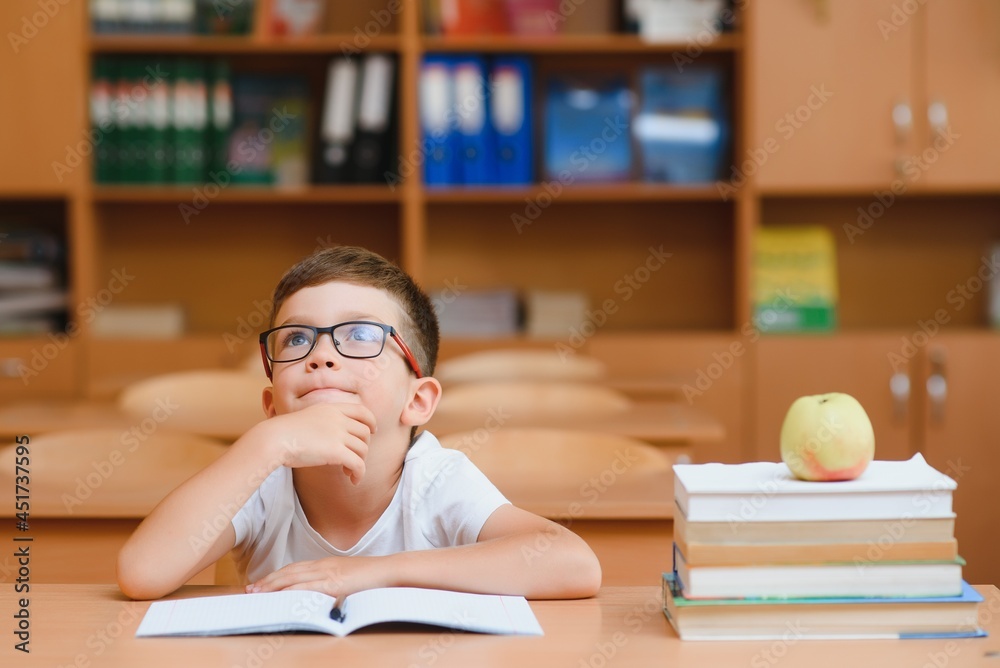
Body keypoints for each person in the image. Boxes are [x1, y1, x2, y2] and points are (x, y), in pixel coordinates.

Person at [117, 246, 602, 601]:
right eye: (295, 340)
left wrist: (372, 573)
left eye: (360, 334)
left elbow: (572, 563)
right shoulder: (261, 480)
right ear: (271, 405)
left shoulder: (435, 479)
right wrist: (262, 446)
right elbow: (142, 572)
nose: (322, 355)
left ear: (417, 402)